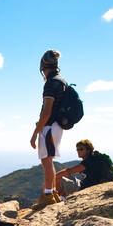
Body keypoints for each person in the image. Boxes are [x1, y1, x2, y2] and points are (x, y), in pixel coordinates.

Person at [29, 49, 68, 210]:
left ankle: (47, 196)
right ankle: (52, 193)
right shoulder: (61, 81)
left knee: (46, 161)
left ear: (43, 66)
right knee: (49, 159)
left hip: (50, 127)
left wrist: (35, 133)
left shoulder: (51, 84)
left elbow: (46, 112)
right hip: (57, 126)